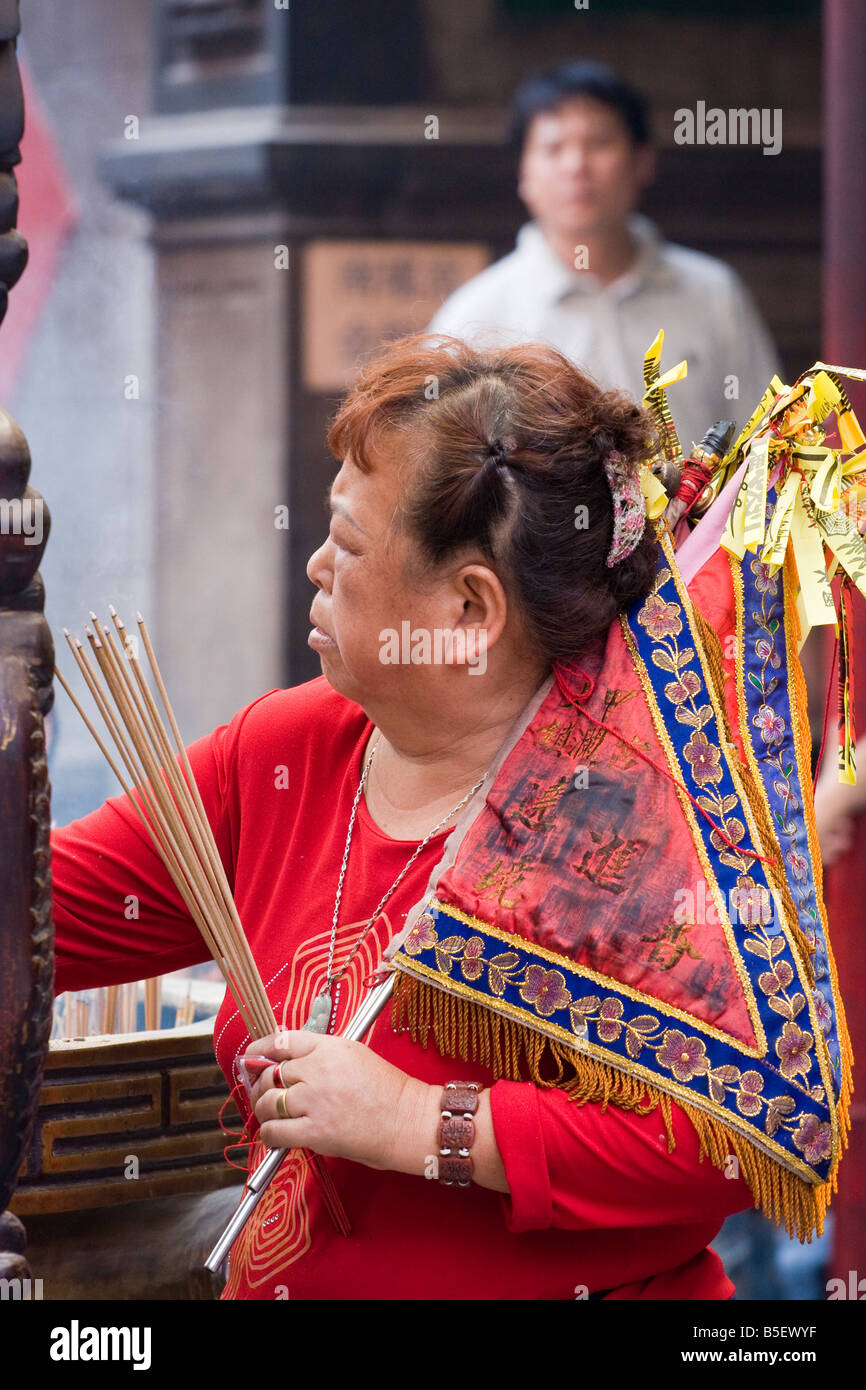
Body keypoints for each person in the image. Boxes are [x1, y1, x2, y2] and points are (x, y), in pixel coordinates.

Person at [52, 333, 781, 1301]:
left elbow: (730, 1138)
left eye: (348, 545)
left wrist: (416, 1121)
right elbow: (38, 907)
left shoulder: (628, 802)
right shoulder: (286, 751)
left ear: (469, 609)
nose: (314, 565)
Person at [429, 61, 782, 454]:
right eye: (553, 147)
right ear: (524, 174)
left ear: (642, 161)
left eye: (599, 143)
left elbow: (767, 439)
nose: (576, 165)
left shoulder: (713, 293)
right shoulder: (477, 317)